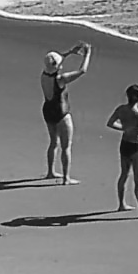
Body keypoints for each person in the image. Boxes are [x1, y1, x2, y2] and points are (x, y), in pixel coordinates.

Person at [40, 41, 91, 183]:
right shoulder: (61, 79)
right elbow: (82, 71)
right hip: (61, 113)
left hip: (48, 111)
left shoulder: (43, 75)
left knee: (53, 142)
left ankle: (50, 172)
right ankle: (66, 177)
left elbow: (56, 61)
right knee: (66, 146)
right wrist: (87, 55)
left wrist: (69, 52)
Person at [105, 84, 138, 218]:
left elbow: (110, 123)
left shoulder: (121, 110)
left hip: (125, 144)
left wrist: (124, 128)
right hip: (137, 147)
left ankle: (121, 204)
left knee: (124, 175)